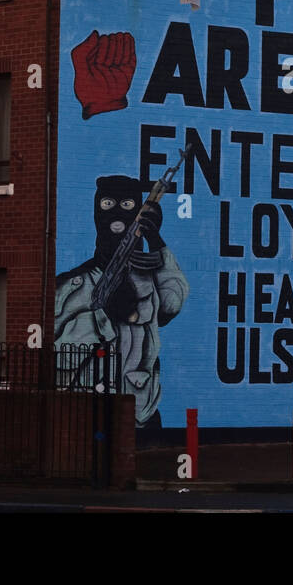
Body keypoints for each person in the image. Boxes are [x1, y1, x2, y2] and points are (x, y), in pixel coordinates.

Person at [54, 174, 189, 431]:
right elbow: (58, 351)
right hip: (87, 413)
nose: (116, 216)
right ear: (97, 212)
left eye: (127, 206)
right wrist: (103, 315)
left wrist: (156, 241)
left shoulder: (148, 279)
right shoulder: (70, 285)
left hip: (141, 415)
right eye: (107, 205)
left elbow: (173, 301)